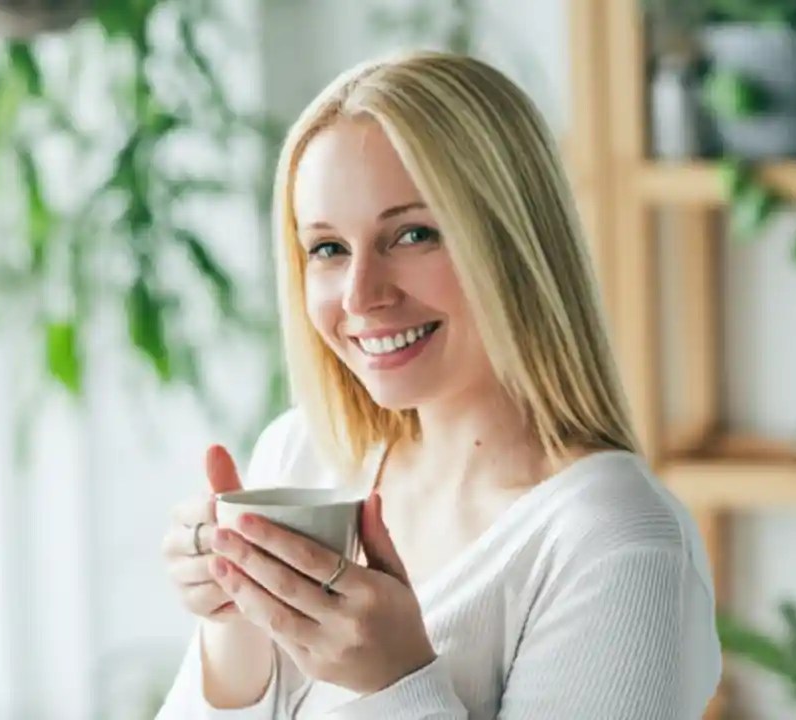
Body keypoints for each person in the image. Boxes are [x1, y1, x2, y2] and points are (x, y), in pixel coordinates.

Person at [156, 50, 722, 719]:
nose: (361, 295)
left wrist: (397, 681)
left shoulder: (615, 543)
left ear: (515, 241)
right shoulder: (303, 453)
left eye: (414, 234)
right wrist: (234, 619)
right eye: (328, 248)